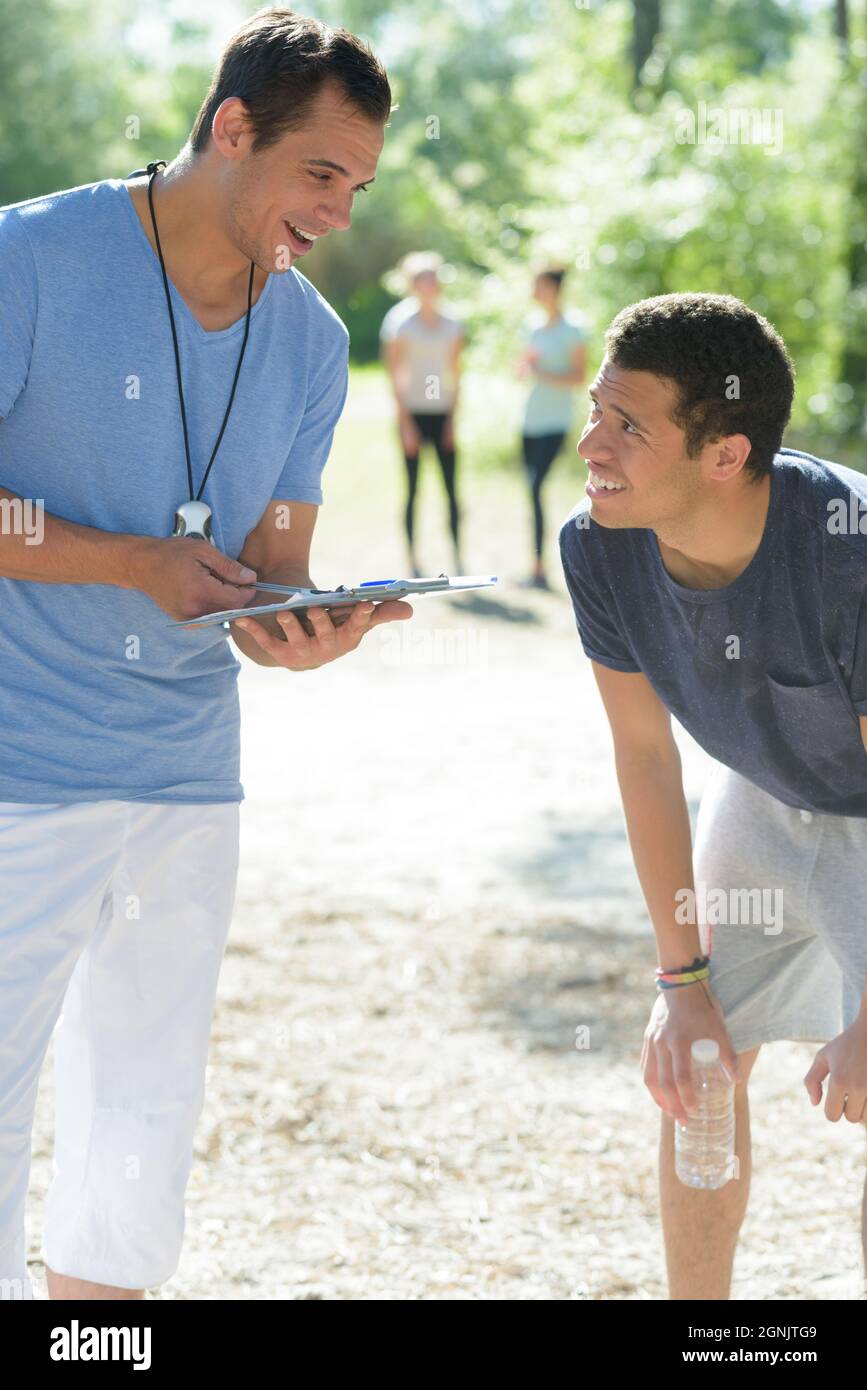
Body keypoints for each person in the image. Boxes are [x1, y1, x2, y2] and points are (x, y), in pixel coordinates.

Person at [0, 8, 412, 1303]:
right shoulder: (32, 259)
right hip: (19, 769)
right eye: (321, 173)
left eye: (357, 184)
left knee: (141, 1119)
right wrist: (129, 558)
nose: (340, 213)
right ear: (232, 129)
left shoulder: (313, 345)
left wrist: (300, 626)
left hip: (185, 778)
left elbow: (272, 554)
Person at [558, 292, 867, 1301]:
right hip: (769, 797)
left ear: (725, 454)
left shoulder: (847, 549)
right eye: (597, 410)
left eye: (626, 426)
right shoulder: (599, 542)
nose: (590, 443)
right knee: (699, 1065)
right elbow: (646, 759)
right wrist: (680, 983)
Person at [380, 252, 465, 575]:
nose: (431, 283)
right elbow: (395, 375)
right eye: (423, 278)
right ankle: (413, 560)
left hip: (442, 414)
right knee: (413, 490)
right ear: (412, 284)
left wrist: (453, 420)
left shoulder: (453, 322)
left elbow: (456, 373)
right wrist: (405, 425)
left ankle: (458, 556)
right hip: (412, 415)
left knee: (451, 490)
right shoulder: (399, 322)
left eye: (434, 277)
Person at [515, 267, 587, 589]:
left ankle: (555, 560)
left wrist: (539, 372)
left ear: (554, 288)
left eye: (539, 284)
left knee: (536, 486)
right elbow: (523, 368)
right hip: (528, 420)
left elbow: (577, 378)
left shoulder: (574, 329)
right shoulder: (531, 327)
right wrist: (524, 369)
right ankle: (537, 565)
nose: (534, 289)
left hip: (556, 422)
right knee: (532, 493)